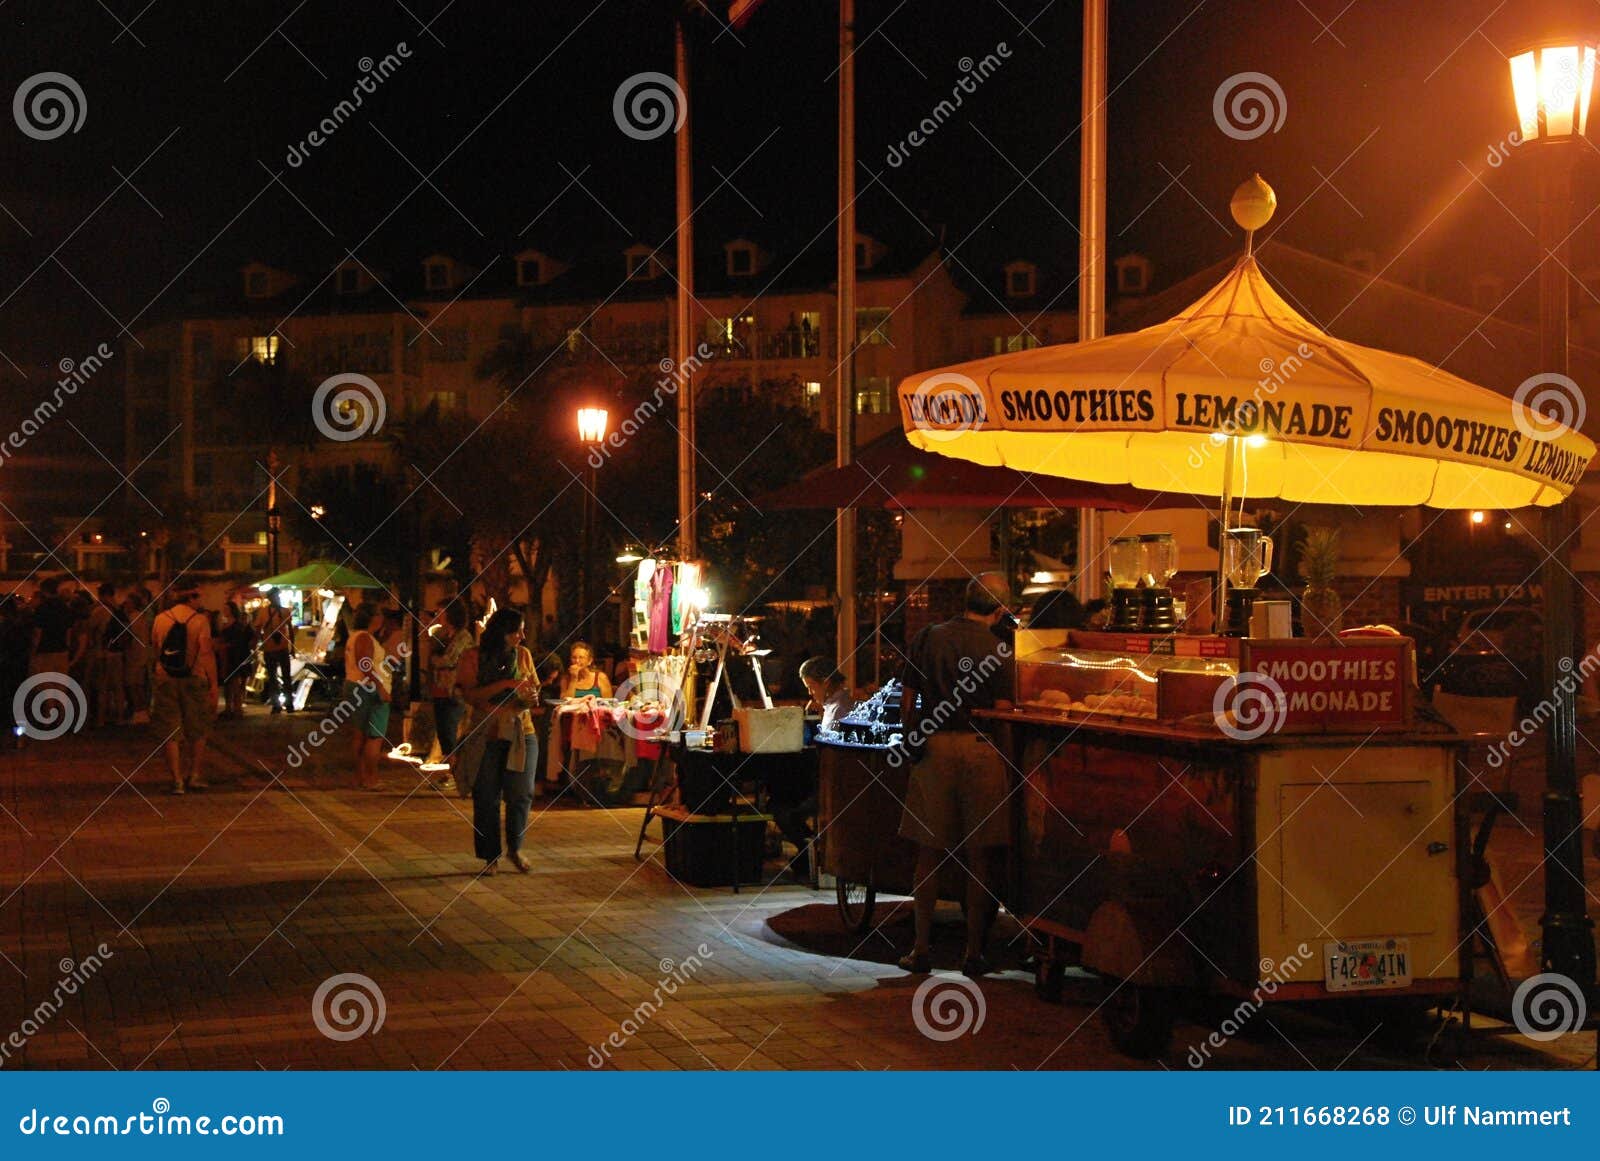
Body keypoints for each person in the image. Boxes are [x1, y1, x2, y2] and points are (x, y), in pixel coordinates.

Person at [896, 573, 1016, 978]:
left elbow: (908, 699)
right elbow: (1001, 711)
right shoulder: (1000, 648)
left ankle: (921, 948)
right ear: (999, 611)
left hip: (934, 748)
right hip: (981, 750)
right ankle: (973, 952)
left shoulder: (929, 637)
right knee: (979, 856)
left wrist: (912, 738)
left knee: (927, 854)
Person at [456, 608, 540, 875]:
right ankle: (490, 857)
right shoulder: (472, 657)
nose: (522, 636)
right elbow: (470, 694)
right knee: (486, 796)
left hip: (521, 732)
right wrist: (506, 684)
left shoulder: (524, 655)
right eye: (517, 631)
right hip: (486, 733)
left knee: (521, 793)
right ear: (501, 632)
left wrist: (529, 697)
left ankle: (515, 848)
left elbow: (533, 689)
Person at [151, 584, 214, 794]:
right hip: (193, 677)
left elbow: (155, 648)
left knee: (170, 729)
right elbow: (205, 653)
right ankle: (194, 775)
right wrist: (213, 683)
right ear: (192, 598)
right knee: (197, 728)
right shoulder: (199, 620)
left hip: (165, 678)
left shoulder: (160, 619)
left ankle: (177, 780)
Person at [344, 606, 393, 790]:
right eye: (379, 614)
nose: (382, 619)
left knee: (359, 734)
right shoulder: (364, 637)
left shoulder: (355, 636)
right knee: (374, 736)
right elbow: (365, 663)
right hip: (367, 689)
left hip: (355, 685)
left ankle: (360, 776)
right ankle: (371, 778)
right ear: (372, 618)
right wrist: (379, 687)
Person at [428, 603, 475, 764]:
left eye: (441, 612)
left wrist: (436, 660)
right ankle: (451, 769)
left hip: (453, 690)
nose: (438, 615)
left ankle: (454, 771)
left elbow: (449, 659)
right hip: (439, 688)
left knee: (451, 730)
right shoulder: (441, 634)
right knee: (443, 732)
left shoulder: (463, 636)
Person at [218, 602, 256, 719]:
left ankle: (237, 708)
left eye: (226, 608)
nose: (224, 611)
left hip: (236, 656)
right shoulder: (226, 624)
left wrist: (227, 645)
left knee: (235, 683)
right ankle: (229, 707)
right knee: (228, 683)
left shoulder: (237, 625)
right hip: (228, 656)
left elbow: (239, 641)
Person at [29, 578, 72, 676]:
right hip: (62, 652)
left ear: (44, 590)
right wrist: (67, 649)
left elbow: (37, 633)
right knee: (60, 686)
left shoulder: (42, 608)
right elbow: (68, 632)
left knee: (45, 685)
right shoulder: (65, 608)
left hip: (46, 652)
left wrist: (33, 653)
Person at [799, 656, 854, 731]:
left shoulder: (839, 710)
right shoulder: (833, 706)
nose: (809, 693)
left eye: (811, 687)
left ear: (826, 682)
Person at [261, 596, 295, 712]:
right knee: (273, 677)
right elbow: (258, 628)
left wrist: (293, 647)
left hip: (282, 647)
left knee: (285, 676)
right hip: (270, 648)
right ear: (271, 598)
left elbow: (290, 629)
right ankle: (277, 704)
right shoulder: (264, 611)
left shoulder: (285, 611)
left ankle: (289, 703)